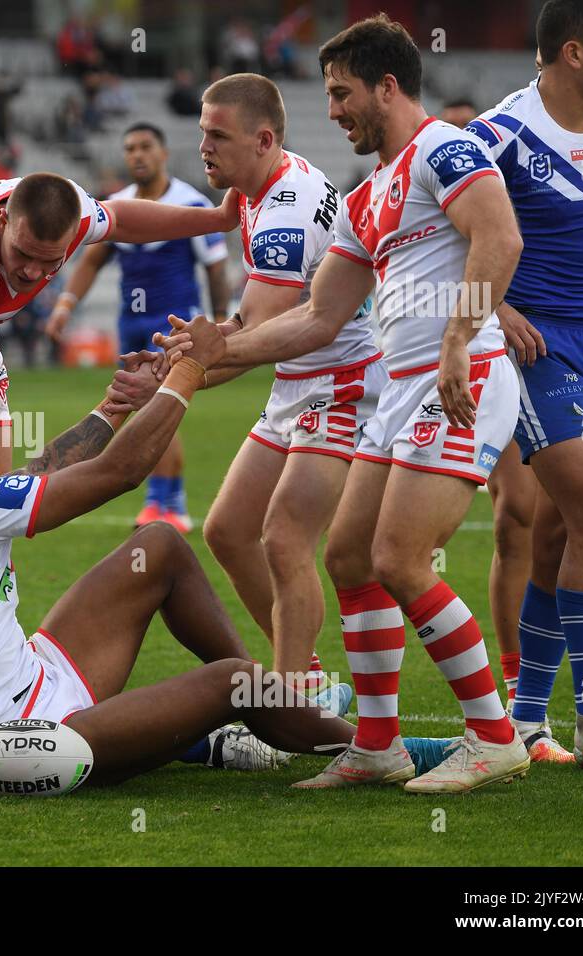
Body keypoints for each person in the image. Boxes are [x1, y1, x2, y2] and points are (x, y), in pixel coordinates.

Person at [165, 14, 531, 792]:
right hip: (397, 392)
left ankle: (495, 736)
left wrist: (460, 339)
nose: (332, 111)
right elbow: (317, 317)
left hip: (459, 381)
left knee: (398, 558)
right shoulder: (368, 195)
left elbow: (499, 239)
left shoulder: (446, 149)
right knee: (346, 557)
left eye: (341, 94)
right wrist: (211, 353)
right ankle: (376, 745)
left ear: (387, 86)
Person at [0, 325, 453, 782]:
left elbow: (42, 470)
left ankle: (266, 707)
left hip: (24, 694)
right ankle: (371, 745)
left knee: (158, 545)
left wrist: (115, 406)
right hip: (30, 738)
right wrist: (189, 369)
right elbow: (121, 472)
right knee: (232, 680)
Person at [0, 169, 240, 709]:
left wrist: (217, 218)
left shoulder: (75, 213)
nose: (32, 271)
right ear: (4, 219)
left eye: (47, 262)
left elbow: (124, 218)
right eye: (22, 254)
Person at [463, 0, 583, 769]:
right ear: (572, 53)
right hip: (539, 350)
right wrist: (496, 308)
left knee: (563, 529)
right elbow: (443, 234)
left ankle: (528, 716)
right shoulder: (498, 134)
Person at [180, 74, 385, 704]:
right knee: (227, 530)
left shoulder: (284, 215)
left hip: (342, 381)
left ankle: (297, 699)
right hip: (301, 379)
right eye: (201, 133)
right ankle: (308, 676)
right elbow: (249, 333)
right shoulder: (259, 187)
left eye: (218, 136)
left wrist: (171, 385)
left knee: (285, 537)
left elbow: (253, 339)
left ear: (263, 139)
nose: (203, 148)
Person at [46, 122, 229, 532]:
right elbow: (91, 262)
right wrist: (64, 305)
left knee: (157, 408)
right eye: (129, 148)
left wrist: (219, 324)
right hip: (130, 326)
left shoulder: (192, 204)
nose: (137, 155)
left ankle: (165, 502)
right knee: (136, 409)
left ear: (163, 153)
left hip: (173, 326)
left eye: (146, 146)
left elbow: (216, 269)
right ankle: (164, 501)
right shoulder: (117, 207)